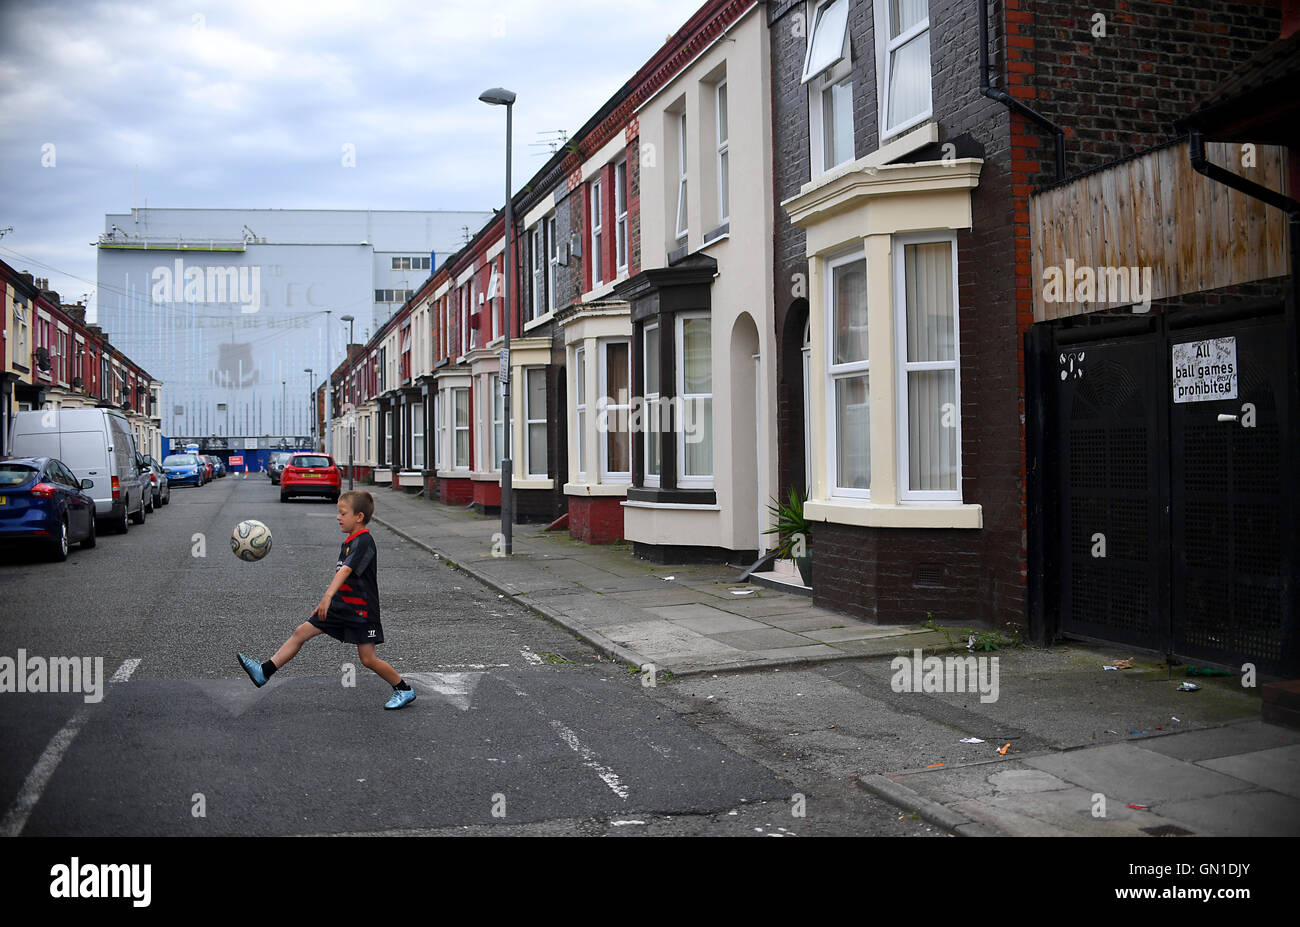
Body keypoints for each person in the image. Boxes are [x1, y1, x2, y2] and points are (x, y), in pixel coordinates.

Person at [237, 490, 416, 710]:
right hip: (341, 607)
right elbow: (343, 574)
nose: (338, 517)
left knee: (368, 659)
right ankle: (264, 671)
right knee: (301, 632)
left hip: (361, 612)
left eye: (343, 513)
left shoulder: (364, 541)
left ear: (359, 517)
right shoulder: (349, 542)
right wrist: (330, 601)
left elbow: (346, 571)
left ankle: (404, 689)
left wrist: (327, 596)